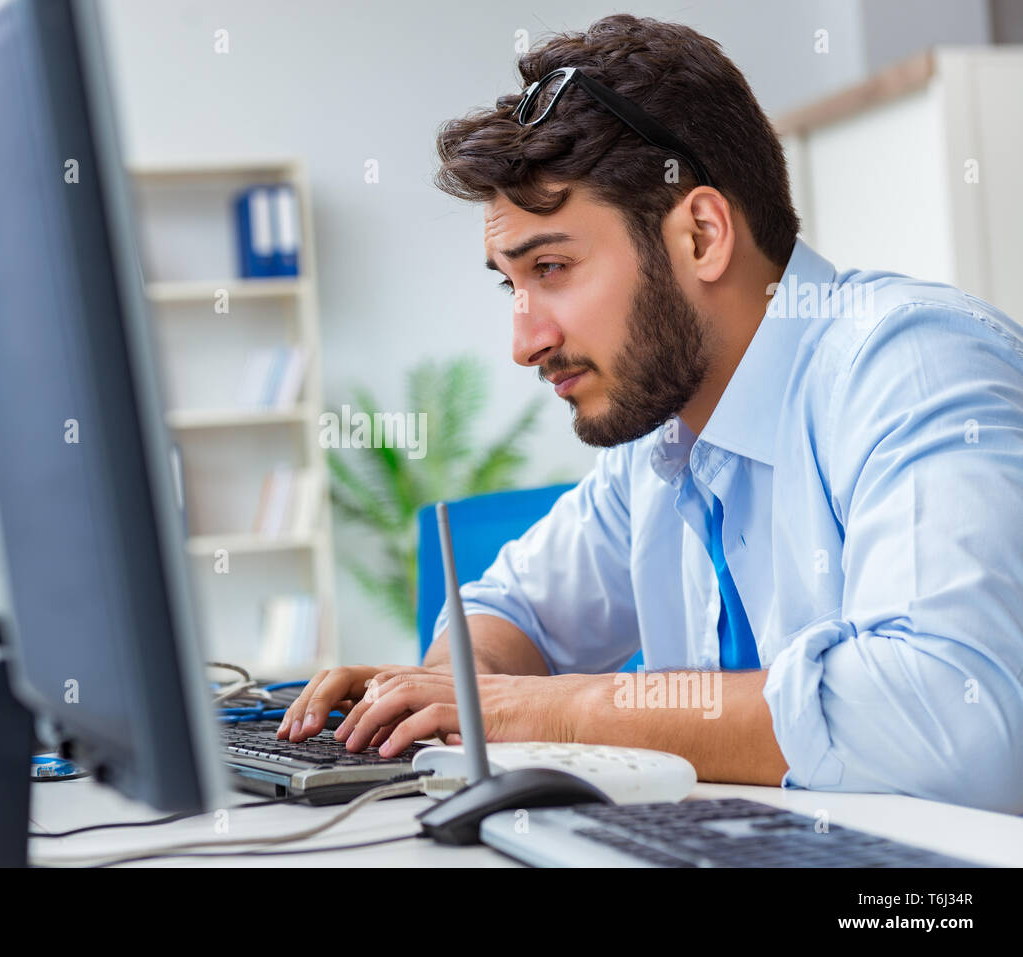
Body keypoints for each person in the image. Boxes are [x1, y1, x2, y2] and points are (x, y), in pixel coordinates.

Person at [278, 14, 1023, 814]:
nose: (525, 342)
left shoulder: (910, 362)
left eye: (553, 267)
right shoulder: (668, 439)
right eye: (512, 283)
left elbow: (952, 717)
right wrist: (444, 694)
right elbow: (510, 612)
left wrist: (545, 709)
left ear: (701, 235)